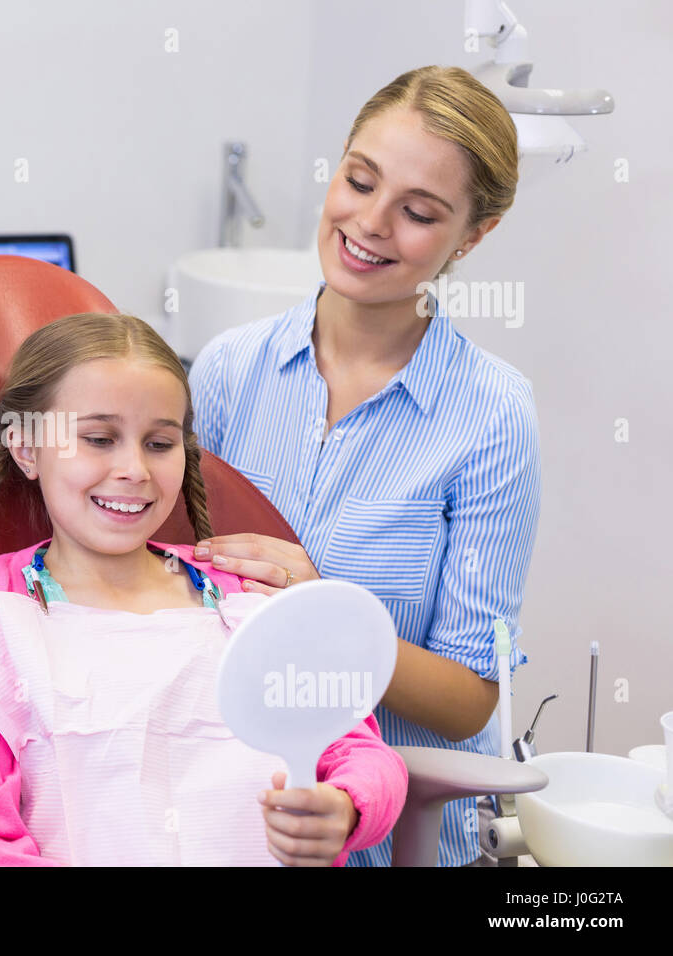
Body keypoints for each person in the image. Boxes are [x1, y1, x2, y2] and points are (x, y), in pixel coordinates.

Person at [188, 66, 541, 866]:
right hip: (226, 820)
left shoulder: (490, 417)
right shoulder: (227, 373)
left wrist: (324, 612)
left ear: (471, 236)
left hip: (392, 842)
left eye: (419, 213)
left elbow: (467, 703)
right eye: (359, 180)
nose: (371, 223)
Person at [0, 313, 407, 866]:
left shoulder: (247, 596)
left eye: (159, 443)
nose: (134, 469)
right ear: (27, 450)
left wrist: (346, 806)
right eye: (100, 439)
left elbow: (359, 750)